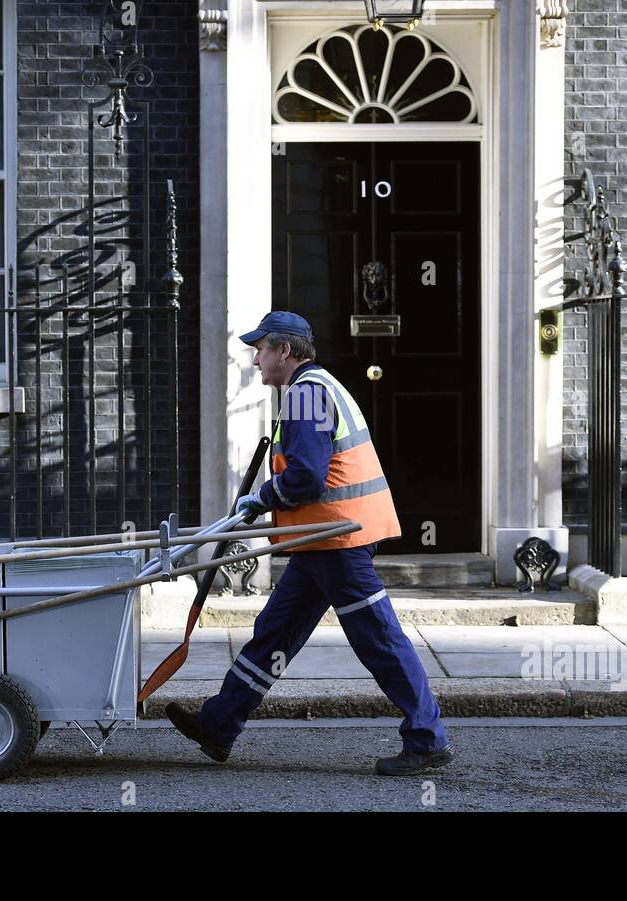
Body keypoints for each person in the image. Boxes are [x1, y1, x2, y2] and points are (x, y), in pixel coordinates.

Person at [166, 311, 455, 776]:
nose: (255, 360)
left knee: (378, 638)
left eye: (260, 349)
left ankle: (427, 737)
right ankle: (219, 725)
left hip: (338, 537)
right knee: (274, 634)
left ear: (284, 351)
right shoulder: (315, 389)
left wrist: (262, 496)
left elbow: (305, 477)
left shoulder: (306, 395)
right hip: (320, 540)